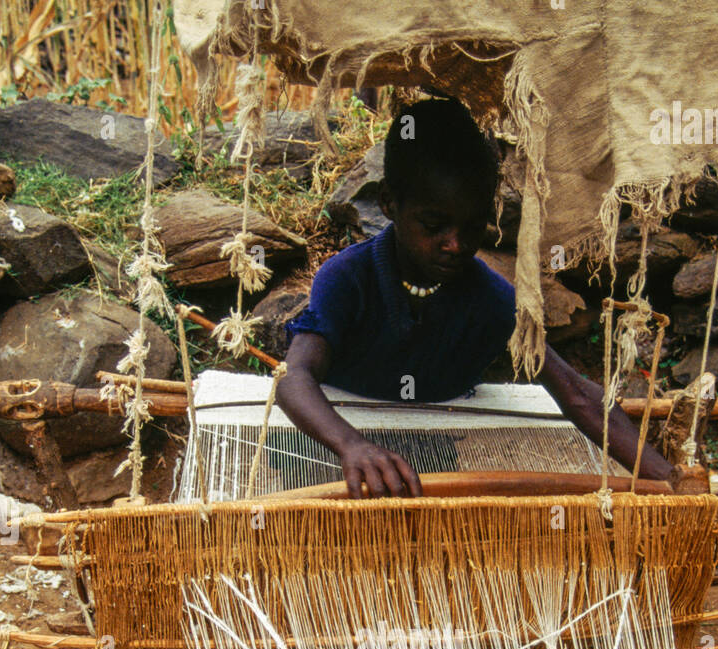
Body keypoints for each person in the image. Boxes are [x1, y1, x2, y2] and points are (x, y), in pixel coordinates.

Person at [277, 95, 672, 499]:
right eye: (434, 224)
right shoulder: (348, 280)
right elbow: (294, 378)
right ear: (390, 203)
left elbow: (576, 394)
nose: (455, 244)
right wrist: (352, 445)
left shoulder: (489, 301)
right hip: (323, 459)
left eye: (472, 227)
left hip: (427, 469)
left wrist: (667, 478)